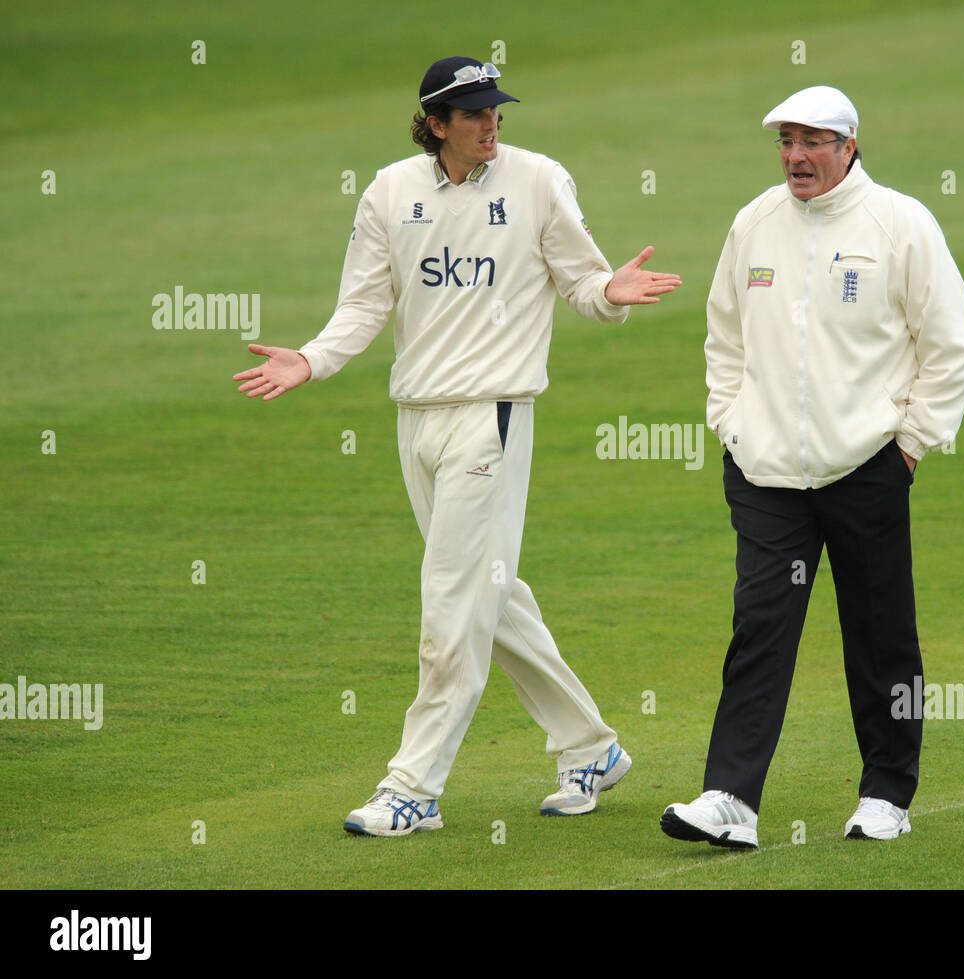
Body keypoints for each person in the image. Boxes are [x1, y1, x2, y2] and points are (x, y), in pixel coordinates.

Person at [233, 55, 680, 837]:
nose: (491, 123)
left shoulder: (538, 180)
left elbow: (582, 278)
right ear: (434, 124)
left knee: (450, 605)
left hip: (493, 416)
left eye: (495, 109)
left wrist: (610, 293)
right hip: (418, 419)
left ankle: (414, 786)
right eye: (471, 114)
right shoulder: (389, 192)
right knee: (490, 595)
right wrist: (312, 358)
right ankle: (590, 747)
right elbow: (365, 303)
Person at [661, 85, 964, 849]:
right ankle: (730, 799)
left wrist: (909, 445)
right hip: (767, 472)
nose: (797, 157)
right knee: (760, 628)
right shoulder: (755, 222)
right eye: (786, 142)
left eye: (814, 142)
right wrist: (730, 426)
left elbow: (950, 346)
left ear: (850, 145)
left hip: (867, 464)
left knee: (880, 637)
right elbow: (723, 335)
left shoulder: (900, 223)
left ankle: (886, 793)